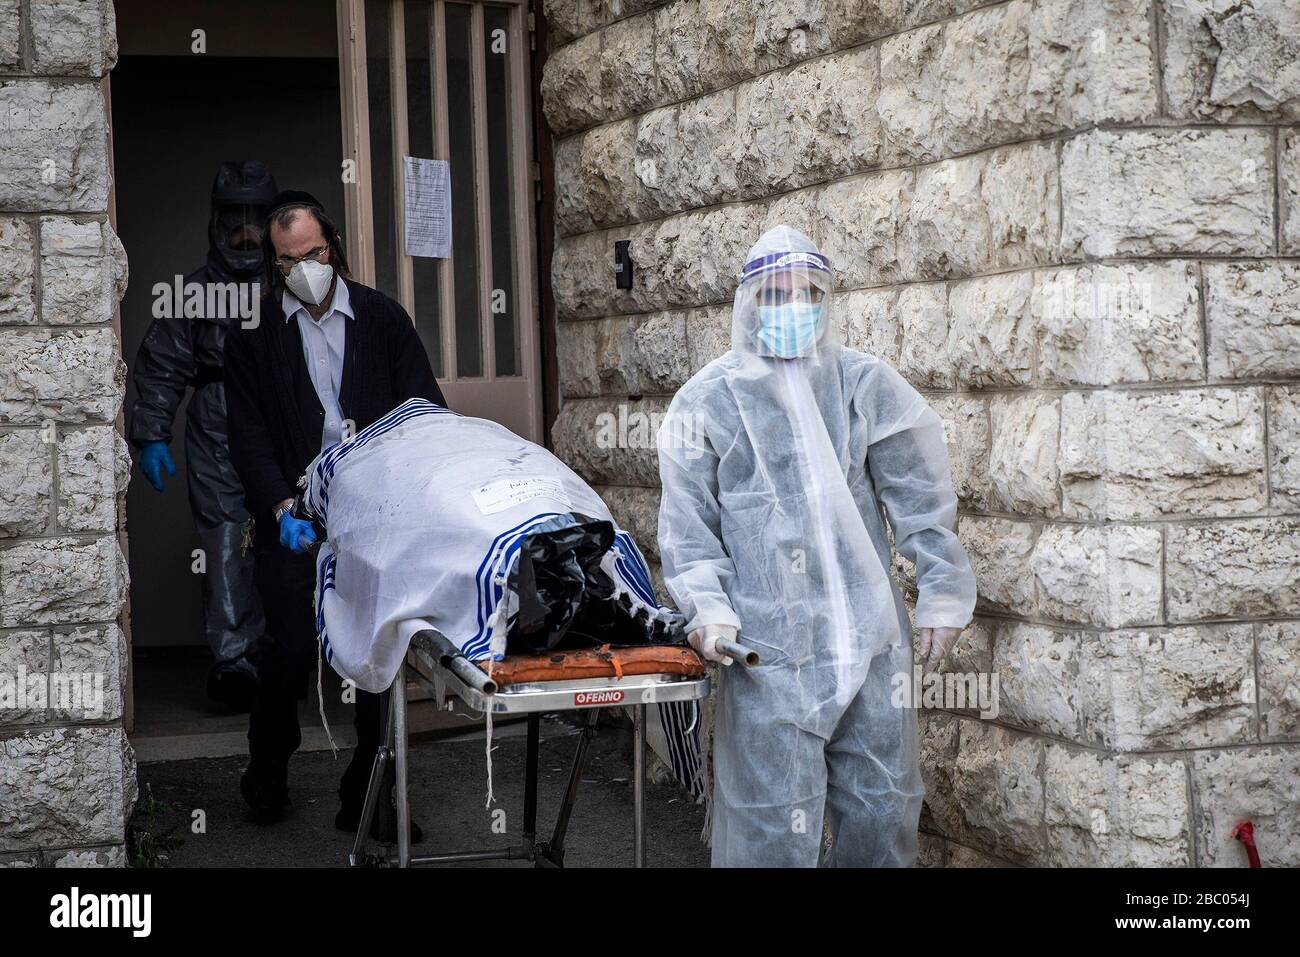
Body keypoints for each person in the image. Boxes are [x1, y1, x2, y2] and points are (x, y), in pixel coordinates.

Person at [656, 225, 977, 867]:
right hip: (767, 657)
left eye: (808, 294)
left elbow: (918, 497)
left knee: (881, 808)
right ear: (748, 303)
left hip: (870, 642)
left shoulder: (864, 386)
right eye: (776, 295)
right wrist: (708, 612)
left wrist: (942, 590)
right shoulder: (707, 402)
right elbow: (689, 530)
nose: (793, 307)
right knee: (773, 825)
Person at [223, 189, 445, 836]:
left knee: (380, 652)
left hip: (374, 513)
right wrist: (279, 504)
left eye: (313, 253)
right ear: (275, 265)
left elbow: (422, 411)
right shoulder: (254, 336)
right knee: (289, 649)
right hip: (293, 512)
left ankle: (371, 797)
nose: (303, 269)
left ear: (335, 244)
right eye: (287, 261)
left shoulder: (383, 318)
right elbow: (248, 433)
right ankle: (267, 771)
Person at [129, 160, 277, 708]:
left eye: (255, 218)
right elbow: (162, 365)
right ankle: (235, 661)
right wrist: (151, 435)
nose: (244, 230)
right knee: (224, 541)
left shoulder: (291, 286)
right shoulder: (191, 294)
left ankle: (293, 658)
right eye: (233, 217)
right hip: (215, 424)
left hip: (283, 426)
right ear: (215, 222)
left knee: (294, 537)